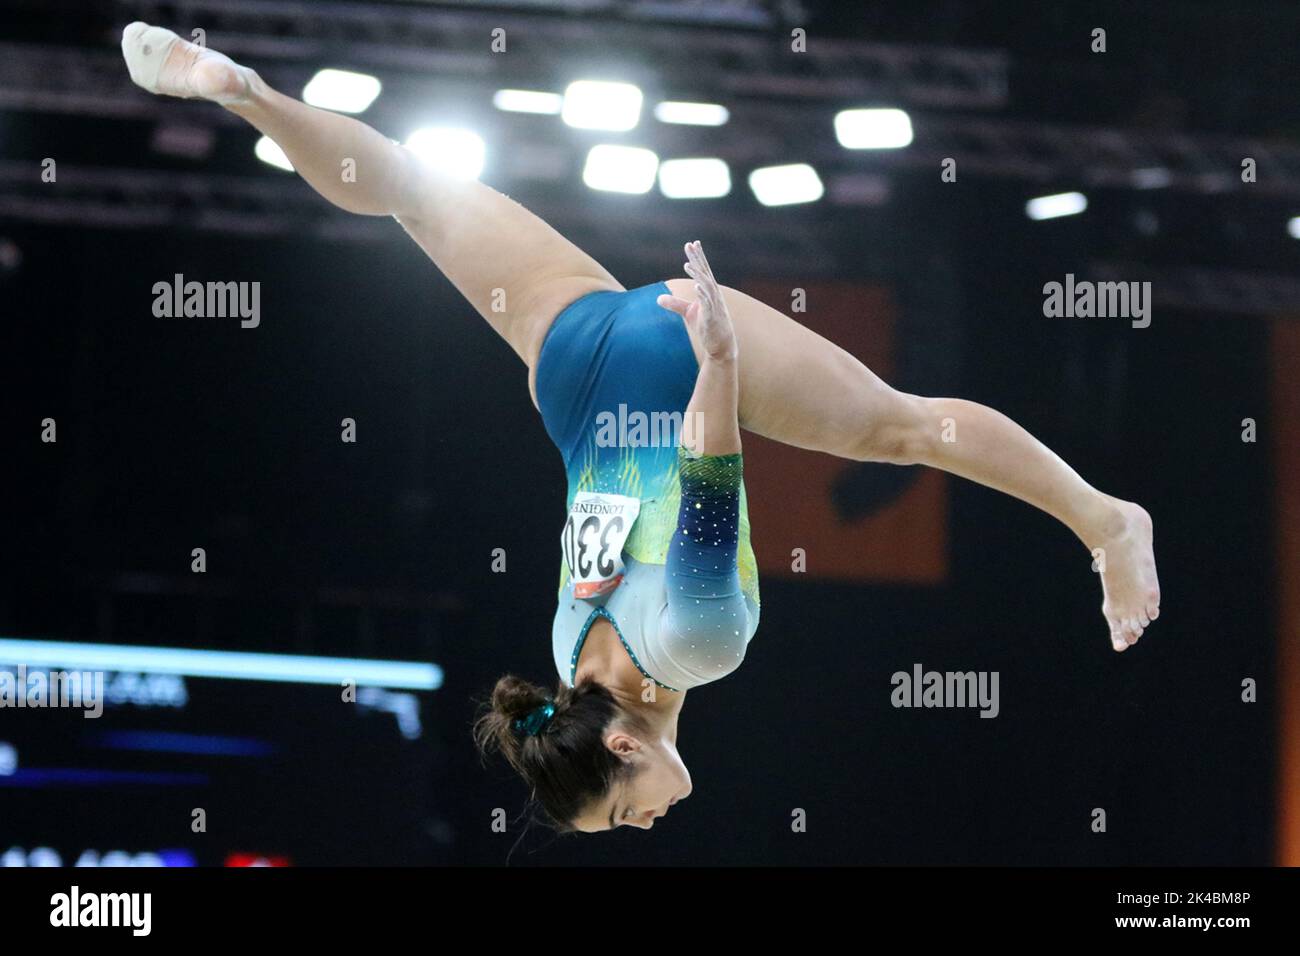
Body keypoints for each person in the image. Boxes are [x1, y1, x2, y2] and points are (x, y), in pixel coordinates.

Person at [120, 23, 1161, 833]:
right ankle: (246, 93)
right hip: (571, 369)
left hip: (672, 367)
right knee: (407, 189)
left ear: (623, 741)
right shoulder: (569, 660)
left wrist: (719, 357)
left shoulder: (697, 646)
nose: (647, 820)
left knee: (906, 432)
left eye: (622, 808)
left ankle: (1106, 522)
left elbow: (709, 475)